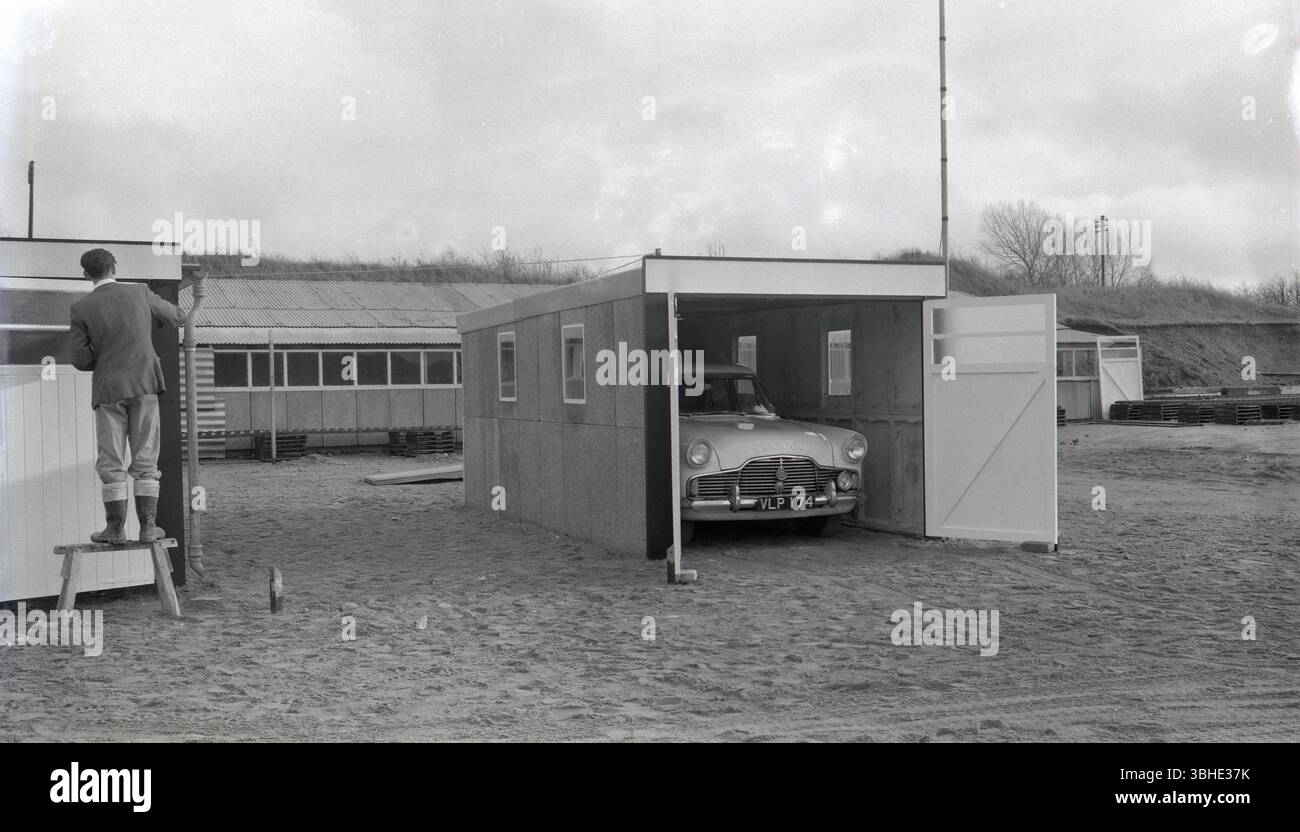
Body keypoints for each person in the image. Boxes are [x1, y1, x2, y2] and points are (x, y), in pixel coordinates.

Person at [69, 248, 190, 544]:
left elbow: (82, 361)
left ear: (86, 274)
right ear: (114, 266)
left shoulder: (81, 308)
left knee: (111, 459)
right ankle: (148, 526)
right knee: (146, 455)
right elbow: (178, 316)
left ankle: (115, 528)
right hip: (145, 383)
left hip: (108, 389)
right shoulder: (140, 292)